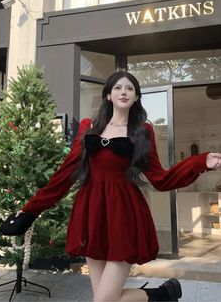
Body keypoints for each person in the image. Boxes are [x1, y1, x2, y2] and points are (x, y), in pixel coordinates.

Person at [16, 71, 221, 302]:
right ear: (108, 96)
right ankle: (161, 294)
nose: (124, 92)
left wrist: (199, 162)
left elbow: (161, 179)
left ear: (136, 97)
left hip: (123, 215)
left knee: (103, 299)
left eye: (130, 89)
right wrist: (30, 210)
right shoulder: (89, 129)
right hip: (91, 216)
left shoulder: (143, 132)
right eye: (118, 88)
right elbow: (63, 177)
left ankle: (162, 294)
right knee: (104, 298)